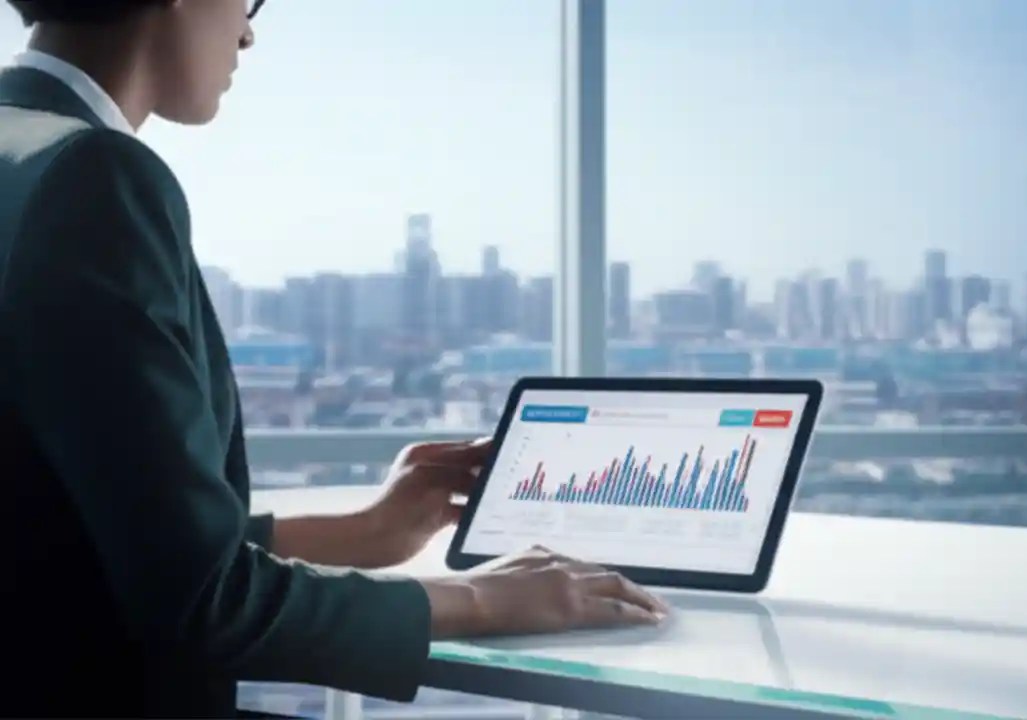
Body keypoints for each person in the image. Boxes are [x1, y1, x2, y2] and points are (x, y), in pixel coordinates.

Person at [0, 1, 668, 717]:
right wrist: (480, 597)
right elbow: (202, 602)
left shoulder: (25, 151)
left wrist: (361, 535)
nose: (249, 32)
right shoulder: (94, 174)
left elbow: (80, 530)